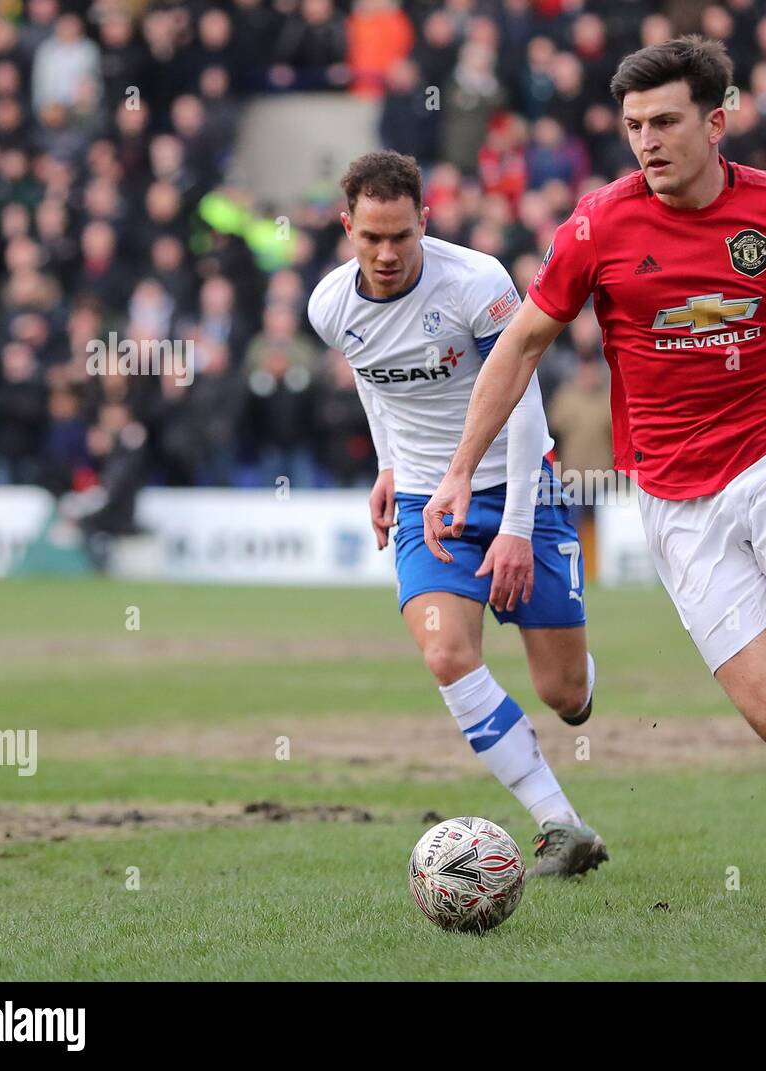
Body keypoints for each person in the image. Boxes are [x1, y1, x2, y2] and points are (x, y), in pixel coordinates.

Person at [423, 37, 766, 923]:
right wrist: (456, 473)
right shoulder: (599, 225)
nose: (647, 140)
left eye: (667, 121)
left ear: (717, 122)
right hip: (678, 499)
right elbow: (520, 343)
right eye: (634, 124)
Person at [306, 151, 606, 878]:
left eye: (400, 237)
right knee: (445, 653)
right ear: (347, 225)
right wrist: (387, 465)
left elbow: (527, 404)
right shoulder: (327, 306)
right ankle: (560, 823)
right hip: (425, 502)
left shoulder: (476, 283)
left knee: (565, 696)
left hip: (517, 492)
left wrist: (514, 529)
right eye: (369, 236)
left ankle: (575, 677)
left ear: (424, 223)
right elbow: (378, 386)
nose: (384, 253)